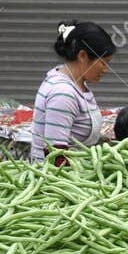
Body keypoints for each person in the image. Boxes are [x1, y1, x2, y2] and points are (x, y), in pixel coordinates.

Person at [31, 20, 116, 163]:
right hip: (58, 180)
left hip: (77, 173)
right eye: (103, 62)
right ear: (82, 56)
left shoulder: (76, 85)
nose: (106, 69)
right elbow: (55, 156)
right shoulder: (62, 93)